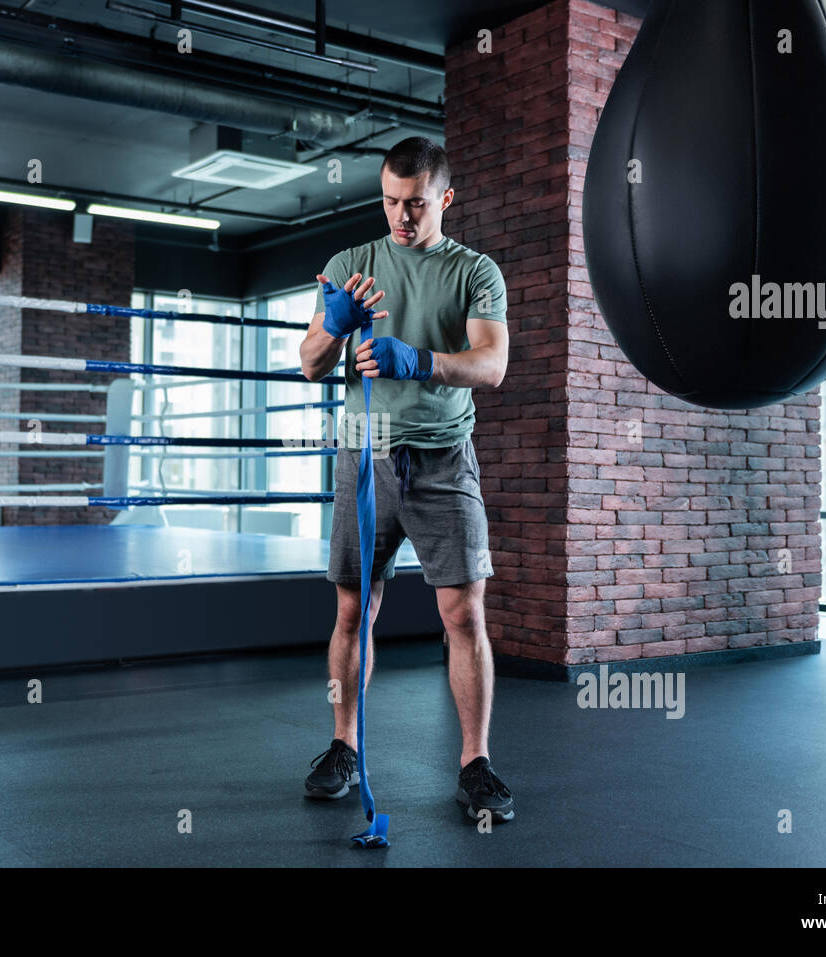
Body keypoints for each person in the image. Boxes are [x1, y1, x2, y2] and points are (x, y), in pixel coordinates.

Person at [298, 136, 514, 822]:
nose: (400, 215)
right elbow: (309, 363)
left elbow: (491, 365)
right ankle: (344, 746)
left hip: (443, 457)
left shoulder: (475, 271)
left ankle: (474, 762)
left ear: (444, 199)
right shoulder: (350, 264)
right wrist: (332, 327)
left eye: (415, 203)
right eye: (390, 201)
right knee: (353, 611)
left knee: (464, 613)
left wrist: (419, 360)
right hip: (365, 455)